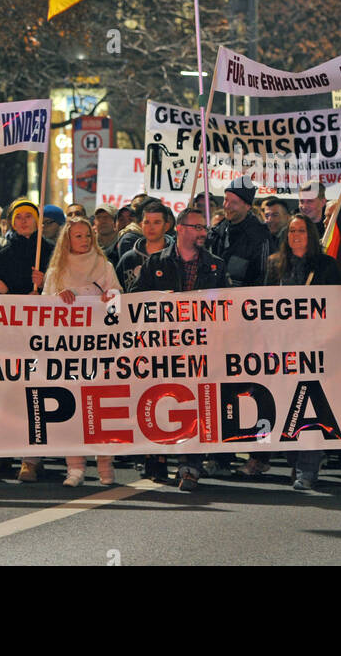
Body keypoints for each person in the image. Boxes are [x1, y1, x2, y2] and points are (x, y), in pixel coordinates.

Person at [132, 206, 228, 490]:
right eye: (197, 228)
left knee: (195, 401)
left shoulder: (215, 265)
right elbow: (137, 300)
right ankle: (157, 460)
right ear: (181, 229)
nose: (202, 233)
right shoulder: (155, 263)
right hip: (164, 346)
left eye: (204, 228)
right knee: (162, 399)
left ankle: (190, 465)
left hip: (200, 347)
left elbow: (226, 303)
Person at [34, 217, 123, 487]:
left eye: (87, 235)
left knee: (101, 405)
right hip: (68, 352)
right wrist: (58, 298)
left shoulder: (104, 266)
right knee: (73, 407)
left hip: (99, 348)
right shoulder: (56, 272)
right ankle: (75, 467)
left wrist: (112, 298)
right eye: (78, 236)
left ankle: (106, 465)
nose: (84, 240)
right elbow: (42, 312)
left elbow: (119, 302)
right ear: (67, 240)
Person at [264, 214, 341, 489]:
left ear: (311, 235)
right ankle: (295, 460)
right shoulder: (275, 265)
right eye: (292, 231)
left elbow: (337, 304)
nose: (296, 235)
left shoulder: (326, 266)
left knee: (310, 407)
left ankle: (307, 470)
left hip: (314, 348)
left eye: (301, 230)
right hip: (283, 348)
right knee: (286, 407)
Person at [206, 176, 273, 287]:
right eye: (226, 199)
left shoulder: (260, 237)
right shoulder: (216, 232)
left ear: (247, 206)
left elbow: (263, 278)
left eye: (234, 202)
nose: (227, 206)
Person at [0, 198, 53, 295]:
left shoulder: (53, 251)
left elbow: (63, 286)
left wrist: (44, 285)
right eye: (18, 217)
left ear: (37, 221)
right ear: (13, 223)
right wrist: (7, 292)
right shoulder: (2, 257)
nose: (23, 221)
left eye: (28, 216)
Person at [116, 201, 174, 293]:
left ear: (166, 226)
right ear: (140, 225)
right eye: (147, 222)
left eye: (157, 222)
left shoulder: (177, 258)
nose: (151, 227)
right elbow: (117, 292)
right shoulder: (128, 259)